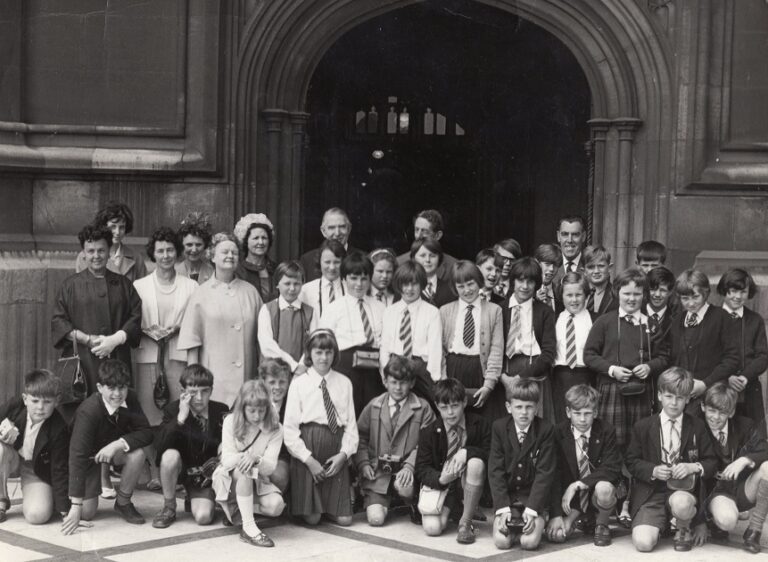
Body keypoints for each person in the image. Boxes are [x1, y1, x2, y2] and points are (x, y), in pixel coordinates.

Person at [625, 367, 717, 552]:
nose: (674, 403)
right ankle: (662, 524)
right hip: (652, 493)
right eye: (669, 396)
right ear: (659, 395)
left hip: (683, 491)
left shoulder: (697, 425)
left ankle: (683, 526)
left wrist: (693, 467)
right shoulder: (643, 426)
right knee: (643, 544)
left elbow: (712, 461)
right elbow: (631, 461)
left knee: (681, 504)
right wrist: (652, 470)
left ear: (688, 399)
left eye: (680, 398)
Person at [62, 360, 154, 534]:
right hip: (87, 457)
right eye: (111, 388)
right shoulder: (88, 411)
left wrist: (117, 444)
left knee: (137, 454)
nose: (118, 394)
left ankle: (123, 503)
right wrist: (75, 505)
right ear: (99, 387)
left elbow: (146, 432)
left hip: (109, 451)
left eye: (122, 387)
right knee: (86, 513)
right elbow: (77, 456)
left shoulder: (131, 397)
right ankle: (61, 497)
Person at [52, 224, 142, 395]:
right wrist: (86, 339)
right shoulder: (70, 285)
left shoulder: (124, 284)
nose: (96, 256)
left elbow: (136, 316)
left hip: (117, 358)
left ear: (109, 252)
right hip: (83, 360)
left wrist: (116, 339)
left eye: (101, 250)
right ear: (83, 254)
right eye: (91, 251)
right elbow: (58, 321)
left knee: (116, 405)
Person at [177, 232, 263, 407]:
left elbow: (263, 339)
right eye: (225, 252)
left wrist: (261, 376)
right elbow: (191, 342)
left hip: (246, 377)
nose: (230, 256)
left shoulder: (251, 292)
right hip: (214, 376)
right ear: (212, 257)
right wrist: (193, 381)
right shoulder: (201, 293)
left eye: (234, 252)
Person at [283, 329, 358, 526]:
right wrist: (309, 461)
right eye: (318, 352)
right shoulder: (299, 384)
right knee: (313, 519)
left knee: (345, 520)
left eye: (328, 352)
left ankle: (328, 505)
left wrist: (344, 455)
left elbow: (351, 425)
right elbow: (289, 430)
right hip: (308, 454)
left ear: (335, 354)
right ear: (309, 354)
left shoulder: (344, 383)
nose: (323, 358)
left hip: (335, 453)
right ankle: (301, 504)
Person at [355, 355, 436, 526]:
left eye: (403, 382)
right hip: (378, 474)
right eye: (393, 382)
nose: (398, 387)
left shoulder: (423, 408)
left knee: (405, 486)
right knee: (375, 519)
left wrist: (410, 466)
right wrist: (363, 463)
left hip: (407, 474)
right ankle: (384, 501)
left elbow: (427, 444)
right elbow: (360, 437)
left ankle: (409, 501)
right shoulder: (374, 405)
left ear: (412, 383)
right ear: (385, 382)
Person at [133, 227, 199, 424]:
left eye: (170, 250)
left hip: (178, 356)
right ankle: (150, 455)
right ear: (153, 253)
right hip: (148, 357)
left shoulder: (191, 286)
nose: (165, 255)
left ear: (177, 252)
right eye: (160, 251)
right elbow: (133, 321)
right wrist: (147, 330)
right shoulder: (139, 286)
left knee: (177, 412)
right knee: (147, 413)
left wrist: (178, 328)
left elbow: (195, 323)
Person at [152, 364, 228, 529]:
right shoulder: (172, 410)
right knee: (169, 455)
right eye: (193, 392)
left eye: (205, 391)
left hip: (206, 476)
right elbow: (159, 449)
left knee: (203, 517)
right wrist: (180, 418)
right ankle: (169, 507)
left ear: (211, 390)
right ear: (183, 391)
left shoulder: (221, 410)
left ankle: (199, 498)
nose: (199, 398)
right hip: (182, 472)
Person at [415, 378, 491, 543]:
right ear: (437, 406)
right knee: (433, 529)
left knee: (475, 463)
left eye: (455, 406)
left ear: (464, 402)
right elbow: (421, 468)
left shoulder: (480, 424)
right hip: (445, 487)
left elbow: (492, 453)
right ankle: (455, 510)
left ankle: (465, 523)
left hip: (467, 483)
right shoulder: (429, 432)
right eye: (444, 407)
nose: (450, 413)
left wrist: (467, 452)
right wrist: (440, 479)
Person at [546, 385, 621, 547]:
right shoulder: (558, 432)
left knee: (605, 488)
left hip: (595, 494)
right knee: (557, 535)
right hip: (569, 499)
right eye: (577, 413)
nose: (582, 419)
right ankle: (581, 517)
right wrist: (556, 514)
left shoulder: (606, 430)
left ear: (595, 413)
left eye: (587, 414)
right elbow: (553, 473)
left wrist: (579, 484)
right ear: (568, 412)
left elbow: (612, 468)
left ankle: (601, 524)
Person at [212, 379, 284, 547]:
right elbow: (227, 459)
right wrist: (246, 458)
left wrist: (256, 459)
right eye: (252, 410)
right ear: (242, 407)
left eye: (262, 410)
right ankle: (249, 528)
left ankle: (236, 508)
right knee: (245, 470)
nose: (257, 416)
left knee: (276, 506)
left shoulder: (276, 428)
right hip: (230, 475)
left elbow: (270, 467)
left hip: (258, 477)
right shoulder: (231, 421)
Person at [698, 383, 768, 553]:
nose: (716, 417)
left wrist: (744, 460)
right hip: (714, 492)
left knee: (767, 467)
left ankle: (754, 531)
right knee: (728, 520)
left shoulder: (745, 424)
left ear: (732, 412)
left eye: (722, 412)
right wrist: (699, 521)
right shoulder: (696, 428)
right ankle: (714, 519)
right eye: (712, 411)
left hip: (740, 487)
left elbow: (765, 450)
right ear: (703, 407)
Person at [489, 378, 555, 551]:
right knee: (501, 542)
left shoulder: (546, 430)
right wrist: (503, 509)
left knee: (529, 543)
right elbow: (495, 471)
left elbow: (545, 474)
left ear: (537, 407)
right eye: (518, 407)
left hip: (532, 500)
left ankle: (539, 519)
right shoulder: (499, 428)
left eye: (529, 407)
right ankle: (511, 527)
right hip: (508, 500)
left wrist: (533, 510)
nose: (523, 413)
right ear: (508, 407)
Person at [319, 252, 386, 418]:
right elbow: (323, 343)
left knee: (372, 413)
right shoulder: (333, 309)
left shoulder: (380, 308)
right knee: (347, 413)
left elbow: (385, 341)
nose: (359, 284)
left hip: (374, 369)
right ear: (343, 280)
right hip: (345, 367)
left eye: (364, 279)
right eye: (353, 278)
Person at [0, 369, 69, 524]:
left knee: (37, 516)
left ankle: (37, 494)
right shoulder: (15, 407)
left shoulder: (59, 427)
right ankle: (1, 500)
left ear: (56, 401)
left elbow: (59, 468)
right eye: (35, 401)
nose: (40, 407)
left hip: (36, 469)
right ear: (25, 399)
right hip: (11, 458)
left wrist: (64, 510)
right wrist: (3, 430)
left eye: (47, 402)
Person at [440, 260, 505, 421]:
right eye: (460, 286)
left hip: (479, 370)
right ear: (454, 288)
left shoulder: (494, 311)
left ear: (479, 282)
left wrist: (488, 385)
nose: (467, 290)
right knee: (453, 416)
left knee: (479, 421)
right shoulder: (445, 311)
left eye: (471, 284)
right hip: (453, 369)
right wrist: (443, 380)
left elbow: (496, 350)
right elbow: (439, 350)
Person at [670, 269, 740, 412]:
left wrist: (705, 383)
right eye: (685, 298)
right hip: (683, 396)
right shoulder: (678, 320)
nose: (690, 303)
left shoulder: (721, 317)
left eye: (695, 297)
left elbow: (732, 359)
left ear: (706, 293)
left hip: (713, 394)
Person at [500, 257, 556, 424]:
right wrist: (503, 377)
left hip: (534, 373)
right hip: (504, 375)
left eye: (530, 282)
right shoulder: (499, 309)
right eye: (520, 280)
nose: (525, 287)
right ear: (512, 281)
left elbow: (548, 353)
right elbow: (491, 349)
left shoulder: (544, 312)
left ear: (537, 284)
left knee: (534, 424)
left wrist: (522, 377)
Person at [716, 268, 767, 429]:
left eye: (743, 292)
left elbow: (763, 356)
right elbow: (707, 354)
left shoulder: (755, 320)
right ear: (725, 290)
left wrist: (744, 378)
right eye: (732, 291)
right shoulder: (712, 317)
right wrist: (727, 376)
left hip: (749, 389)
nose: (737, 297)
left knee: (752, 441)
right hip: (718, 388)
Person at [380, 261, 443, 385]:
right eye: (405, 284)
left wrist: (433, 378)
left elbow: (435, 348)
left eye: (414, 284)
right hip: (394, 367)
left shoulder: (432, 312)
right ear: (399, 285)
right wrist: (384, 372)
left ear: (422, 285)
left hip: (419, 369)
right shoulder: (389, 311)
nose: (409, 289)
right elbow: (385, 346)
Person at [257, 260, 316, 375]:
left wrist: (302, 366)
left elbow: (313, 343)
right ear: (277, 284)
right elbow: (267, 344)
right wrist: (293, 365)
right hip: (273, 372)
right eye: (287, 284)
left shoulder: (310, 312)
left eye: (297, 283)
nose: (292, 288)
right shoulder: (267, 310)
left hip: (303, 373)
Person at [552, 272, 595, 423]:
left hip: (585, 375)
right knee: (562, 420)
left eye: (579, 294)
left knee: (583, 419)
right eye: (569, 295)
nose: (574, 299)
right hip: (560, 377)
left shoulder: (595, 320)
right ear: (561, 296)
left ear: (586, 295)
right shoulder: (554, 318)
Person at [75, 202, 146, 282]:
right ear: (103, 226)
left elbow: (141, 291)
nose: (117, 232)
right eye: (113, 227)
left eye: (121, 227)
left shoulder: (137, 259)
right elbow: (80, 290)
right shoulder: (84, 257)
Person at [299, 208, 362, 281]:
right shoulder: (307, 260)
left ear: (349, 229)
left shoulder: (363, 257)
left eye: (342, 227)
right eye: (331, 228)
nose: (337, 233)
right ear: (323, 231)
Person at [259, 358, 292, 492]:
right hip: (252, 451)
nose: (277, 387)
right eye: (272, 382)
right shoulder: (252, 396)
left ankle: (273, 506)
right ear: (263, 382)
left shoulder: (293, 401)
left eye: (282, 382)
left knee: (279, 476)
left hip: (280, 454)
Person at [396, 210, 457, 282]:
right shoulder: (399, 263)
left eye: (424, 231)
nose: (418, 236)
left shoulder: (453, 267)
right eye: (416, 230)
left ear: (437, 235)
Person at [234, 213, 278, 303]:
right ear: (246, 241)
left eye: (264, 238)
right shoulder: (238, 271)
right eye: (256, 238)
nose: (261, 242)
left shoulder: (275, 269)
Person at [299, 239, 346, 317]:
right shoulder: (306, 291)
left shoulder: (350, 289)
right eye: (327, 262)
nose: (332, 267)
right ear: (319, 262)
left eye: (337, 262)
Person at [411, 238, 455, 308]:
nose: (428, 260)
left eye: (432, 256)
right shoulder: (405, 289)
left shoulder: (451, 290)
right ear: (414, 258)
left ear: (439, 259)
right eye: (422, 256)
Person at [175, 212, 214, 284]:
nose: (194, 250)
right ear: (182, 245)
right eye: (189, 245)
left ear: (205, 245)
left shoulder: (213, 273)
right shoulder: (174, 273)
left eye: (198, 245)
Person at [583, 245, 617, 316]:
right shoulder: (578, 293)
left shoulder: (616, 296)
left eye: (601, 266)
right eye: (591, 267)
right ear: (584, 271)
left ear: (609, 268)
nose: (596, 271)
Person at [553, 215, 586, 284]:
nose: (570, 240)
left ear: (583, 236)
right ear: (558, 236)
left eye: (575, 234)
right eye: (565, 234)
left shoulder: (590, 267)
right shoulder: (550, 267)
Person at [534, 243, 562, 311]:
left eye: (555, 265)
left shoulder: (560, 293)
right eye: (547, 264)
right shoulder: (527, 292)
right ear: (537, 263)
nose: (552, 269)